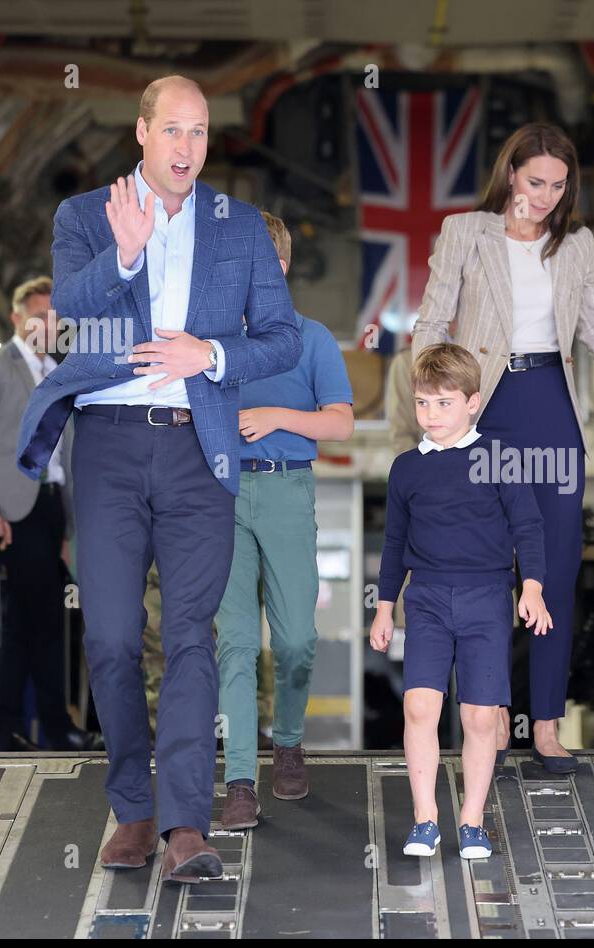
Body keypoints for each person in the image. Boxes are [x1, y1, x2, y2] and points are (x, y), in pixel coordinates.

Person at [16, 76, 301, 884]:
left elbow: (279, 339)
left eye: (201, 132)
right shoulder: (83, 216)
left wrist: (207, 356)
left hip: (194, 447)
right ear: (141, 133)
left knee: (189, 640)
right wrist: (128, 252)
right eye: (172, 130)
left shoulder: (240, 228)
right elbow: (68, 307)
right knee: (108, 638)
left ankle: (183, 823)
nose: (187, 148)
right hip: (105, 447)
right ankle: (132, 808)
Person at [411, 123, 594, 773]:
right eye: (536, 182)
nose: (546, 197)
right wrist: (437, 402)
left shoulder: (577, 243)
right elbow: (429, 323)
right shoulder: (465, 233)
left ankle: (550, 726)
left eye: (559, 187)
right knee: (482, 570)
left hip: (550, 412)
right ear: (510, 174)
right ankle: (491, 711)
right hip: (485, 406)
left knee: (554, 570)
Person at [370, 344, 551, 859]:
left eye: (444, 403)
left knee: (478, 717)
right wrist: (385, 606)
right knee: (419, 706)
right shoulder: (406, 468)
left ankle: (471, 822)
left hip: (487, 601)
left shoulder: (500, 459)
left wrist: (532, 586)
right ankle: (425, 819)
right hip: (424, 600)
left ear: (473, 402)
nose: (431, 415)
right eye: (423, 403)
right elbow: (394, 543)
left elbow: (529, 527)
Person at [215, 212, 354, 830]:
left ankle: (288, 740)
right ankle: (240, 777)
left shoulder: (312, 338)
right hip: (220, 495)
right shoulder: (212, 340)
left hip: (287, 490)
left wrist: (276, 416)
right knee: (236, 642)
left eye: (264, 261)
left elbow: (341, 422)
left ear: (283, 265)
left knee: (297, 640)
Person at [0, 277, 89, 751]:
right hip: (11, 510)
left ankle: (6, 727)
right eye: (37, 316)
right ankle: (53, 727)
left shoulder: (60, 373)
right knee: (46, 616)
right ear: (16, 317)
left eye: (53, 317)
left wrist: (71, 524)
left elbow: (66, 456)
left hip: (51, 506)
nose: (45, 325)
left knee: (25, 619)